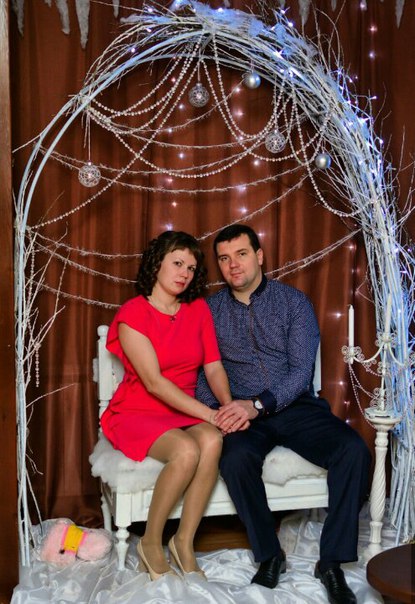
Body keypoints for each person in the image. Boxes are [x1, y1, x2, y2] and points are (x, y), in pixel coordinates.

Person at [196, 224, 371, 604]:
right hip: (240, 412)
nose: (233, 265)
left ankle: (331, 563)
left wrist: (258, 404)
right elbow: (202, 371)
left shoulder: (293, 303)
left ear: (259, 256)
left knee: (353, 450)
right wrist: (221, 411)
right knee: (236, 459)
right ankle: (269, 554)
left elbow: (301, 372)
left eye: (241, 254)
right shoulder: (208, 311)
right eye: (224, 258)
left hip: (293, 406)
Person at [101, 230, 236, 581]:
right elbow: (154, 383)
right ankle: (150, 542)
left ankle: (183, 542)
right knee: (186, 451)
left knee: (213, 440)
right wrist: (209, 414)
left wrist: (228, 409)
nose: (184, 274)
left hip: (182, 409)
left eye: (190, 268)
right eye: (177, 263)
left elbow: (213, 366)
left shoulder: (197, 310)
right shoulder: (133, 313)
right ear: (156, 264)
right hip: (137, 411)